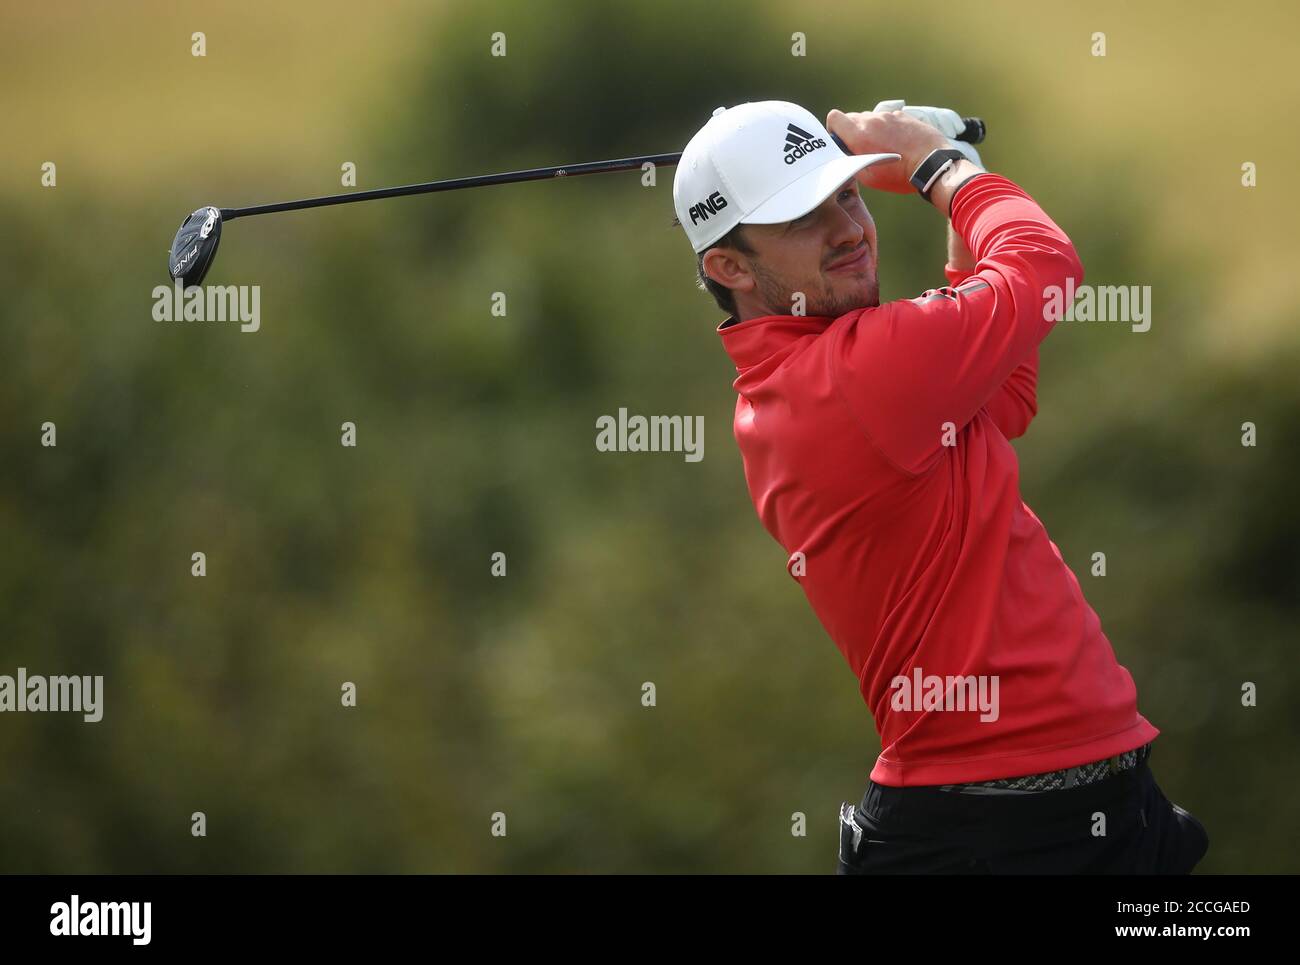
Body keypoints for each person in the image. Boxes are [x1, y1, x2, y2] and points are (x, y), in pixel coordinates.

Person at [671, 100, 1209, 874]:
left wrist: (958, 160)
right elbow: (1046, 265)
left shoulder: (823, 374)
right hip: (995, 830)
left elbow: (1006, 396)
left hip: (1073, 805)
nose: (849, 229)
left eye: (847, 195)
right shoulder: (853, 374)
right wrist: (933, 163)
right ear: (728, 267)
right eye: (801, 219)